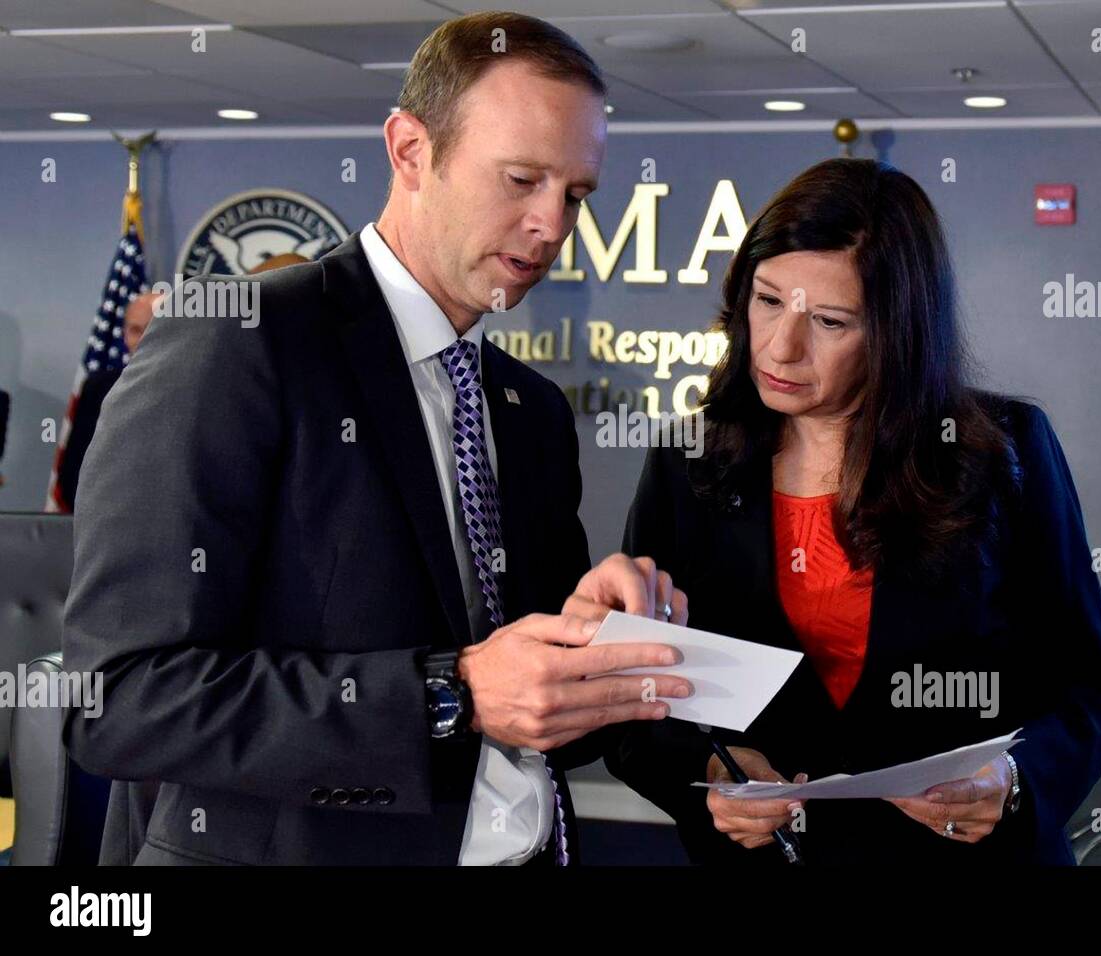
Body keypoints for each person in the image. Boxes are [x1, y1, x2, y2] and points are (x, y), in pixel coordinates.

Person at [62, 11, 691, 867]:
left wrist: (582, 648)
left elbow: (536, 728)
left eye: (576, 194)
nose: (552, 225)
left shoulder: (530, 410)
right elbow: (117, 700)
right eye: (520, 179)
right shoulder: (243, 340)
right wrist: (451, 694)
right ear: (408, 151)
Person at [605, 157, 1101, 865]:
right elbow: (637, 699)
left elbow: (1091, 692)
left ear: (897, 332)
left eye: (829, 321)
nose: (782, 348)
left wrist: (1011, 780)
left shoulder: (1005, 453)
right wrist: (709, 777)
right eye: (767, 302)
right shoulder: (688, 463)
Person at [57, 291, 158, 511]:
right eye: (135, 330)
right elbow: (73, 474)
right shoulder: (97, 389)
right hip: (103, 520)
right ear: (124, 335)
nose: (142, 340)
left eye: (152, 329)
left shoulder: (195, 390)